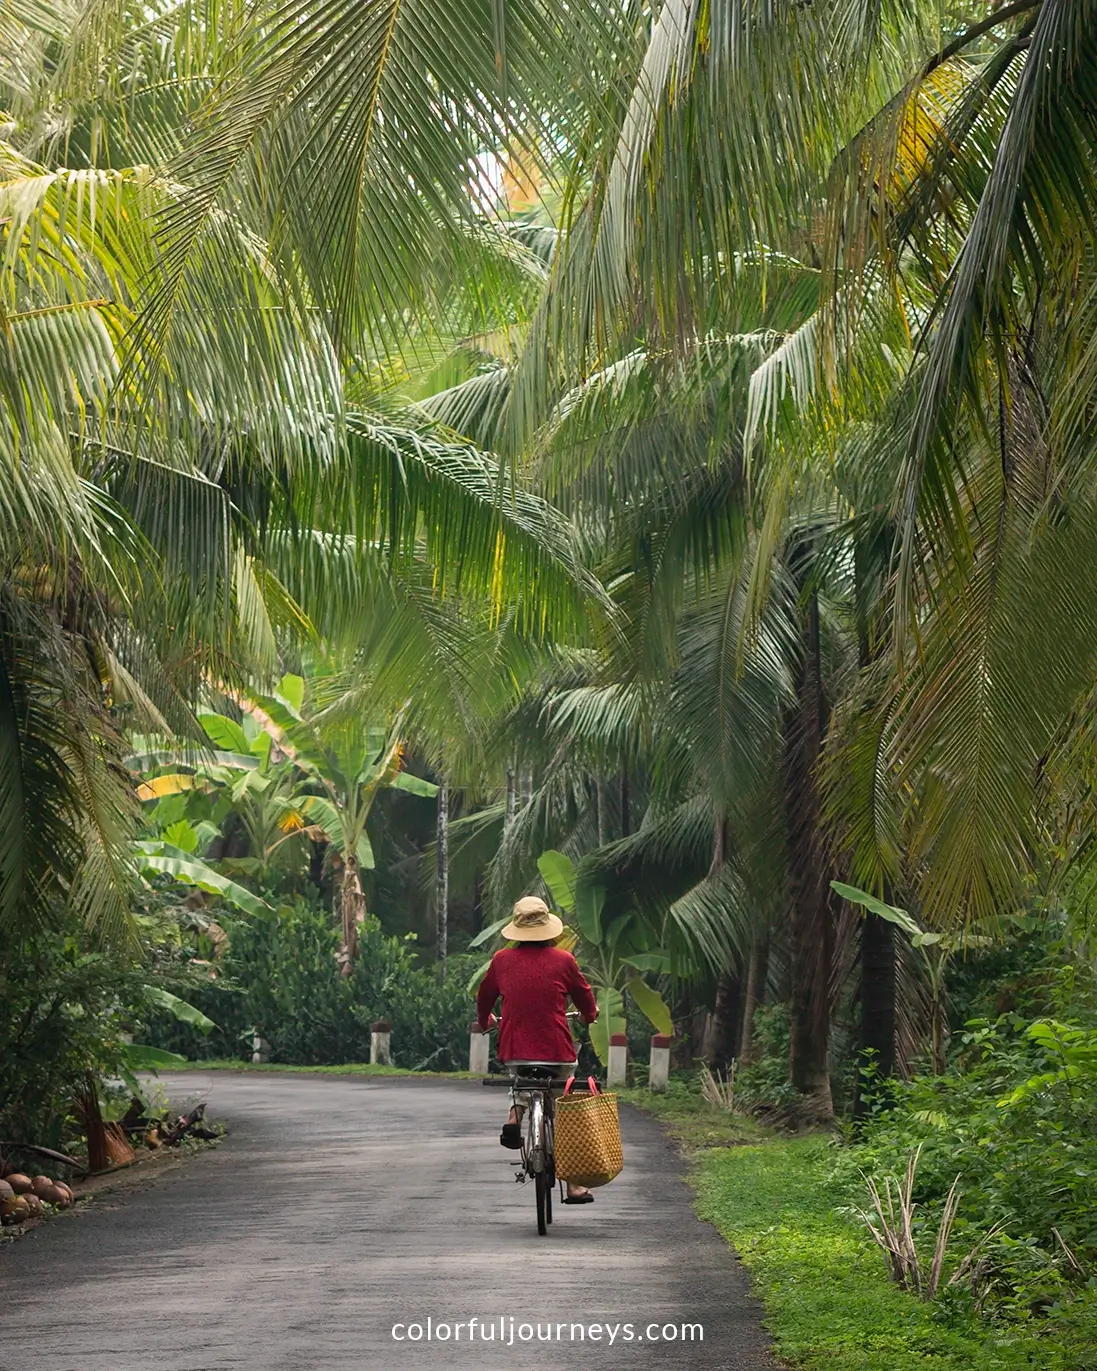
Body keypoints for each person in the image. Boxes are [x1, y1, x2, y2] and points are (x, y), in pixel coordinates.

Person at [476, 895, 599, 1203]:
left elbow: (484, 996)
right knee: (563, 1111)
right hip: (557, 1049)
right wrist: (589, 1015)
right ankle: (572, 1185)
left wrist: (485, 1020)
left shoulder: (502, 960)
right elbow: (585, 998)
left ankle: (515, 1115)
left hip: (515, 1047)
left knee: (521, 1080)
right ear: (548, 928)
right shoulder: (564, 961)